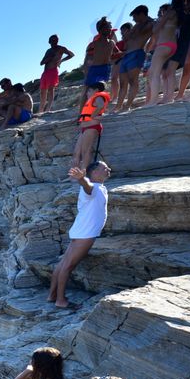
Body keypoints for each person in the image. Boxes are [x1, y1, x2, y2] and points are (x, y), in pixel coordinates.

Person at [48, 160, 111, 309]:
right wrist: (81, 179)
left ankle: (52, 295)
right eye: (105, 168)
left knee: (63, 264)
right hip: (86, 234)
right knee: (68, 266)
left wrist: (83, 179)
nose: (109, 169)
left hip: (80, 230)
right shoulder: (92, 187)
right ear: (95, 173)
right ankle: (60, 301)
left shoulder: (98, 187)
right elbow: (87, 187)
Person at [145, 0, 187, 106]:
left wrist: (157, 21)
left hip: (163, 46)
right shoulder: (179, 15)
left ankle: (153, 101)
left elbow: (156, 29)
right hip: (172, 46)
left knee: (153, 73)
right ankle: (169, 98)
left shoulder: (170, 12)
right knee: (166, 73)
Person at [114, 6, 155, 112]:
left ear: (141, 14)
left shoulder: (150, 23)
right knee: (123, 83)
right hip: (127, 55)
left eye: (135, 16)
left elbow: (141, 33)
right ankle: (118, 106)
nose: (133, 20)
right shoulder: (138, 25)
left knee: (133, 81)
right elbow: (128, 38)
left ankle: (127, 106)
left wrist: (132, 32)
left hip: (137, 53)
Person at [71, 82, 110, 170]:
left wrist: (92, 116)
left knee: (86, 151)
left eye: (89, 91)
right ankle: (73, 175)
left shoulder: (98, 97)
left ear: (96, 90)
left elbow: (101, 106)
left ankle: (83, 173)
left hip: (92, 127)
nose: (87, 93)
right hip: (85, 128)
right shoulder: (92, 99)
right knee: (76, 152)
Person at [39, 35, 75, 113]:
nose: (54, 42)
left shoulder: (61, 48)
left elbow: (71, 55)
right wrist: (50, 58)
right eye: (52, 40)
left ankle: (48, 109)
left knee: (51, 89)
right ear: (49, 42)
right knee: (43, 91)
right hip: (45, 72)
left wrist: (61, 60)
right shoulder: (48, 51)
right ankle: (40, 110)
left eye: (56, 40)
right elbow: (41, 63)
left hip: (53, 71)